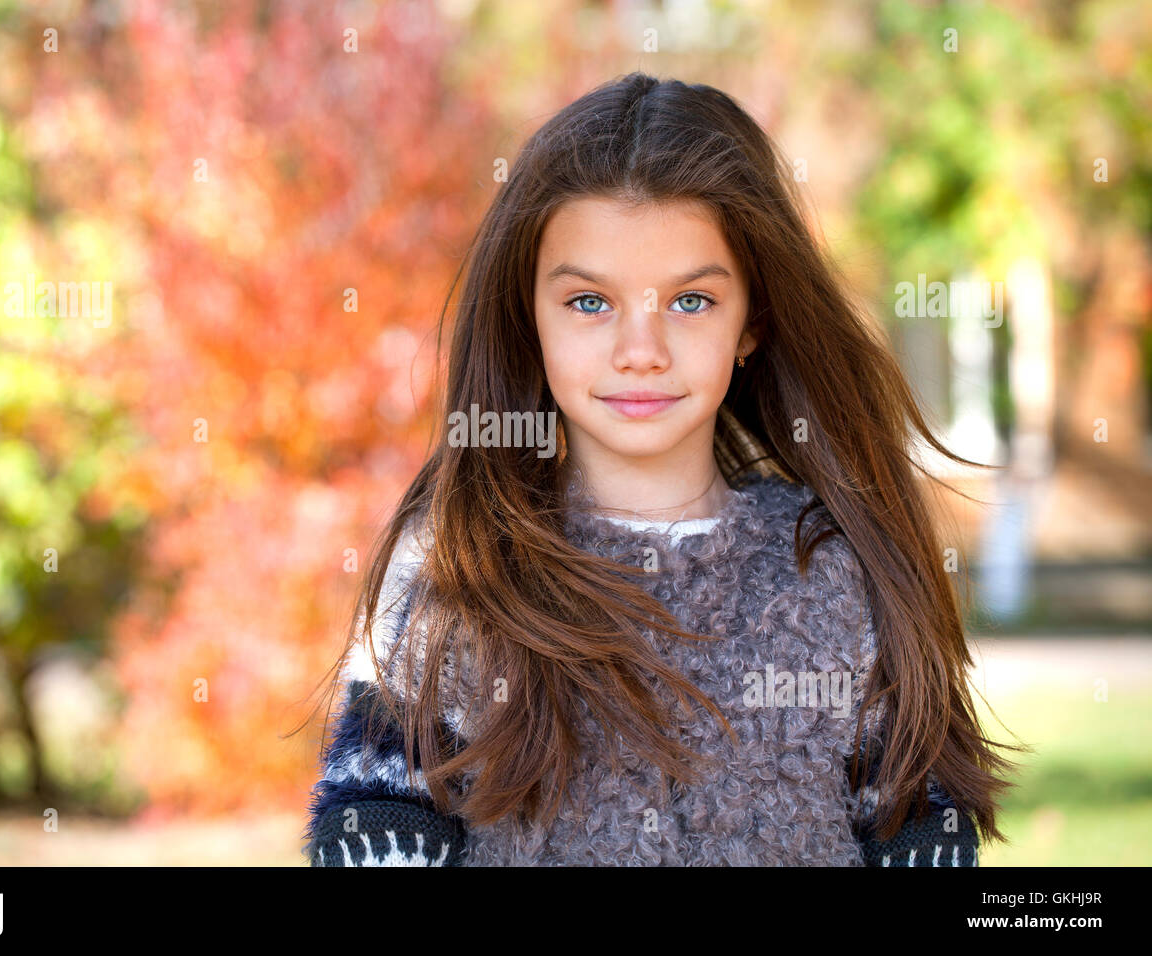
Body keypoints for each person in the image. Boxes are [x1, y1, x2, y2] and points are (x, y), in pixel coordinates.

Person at [301, 72, 1022, 866]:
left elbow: (919, 820)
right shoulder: (456, 561)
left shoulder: (835, 564)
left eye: (689, 302)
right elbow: (372, 817)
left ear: (754, 319)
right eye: (588, 302)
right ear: (527, 316)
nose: (638, 351)